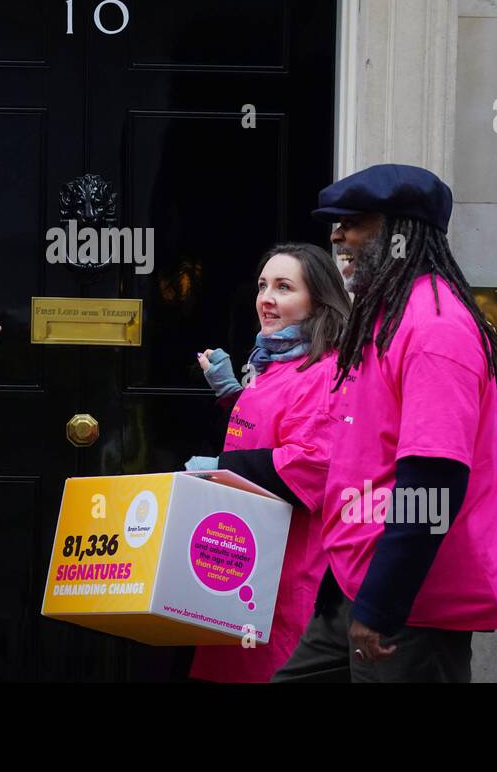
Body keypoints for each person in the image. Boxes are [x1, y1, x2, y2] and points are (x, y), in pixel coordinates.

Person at [276, 164, 497, 683]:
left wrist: (380, 606)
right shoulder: (389, 315)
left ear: (400, 230)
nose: (338, 234)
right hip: (358, 587)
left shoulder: (434, 326)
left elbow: (434, 480)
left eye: (354, 221)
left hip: (409, 606)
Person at [184, 243, 350, 682]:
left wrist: (218, 467)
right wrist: (229, 395)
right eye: (262, 285)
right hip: (243, 569)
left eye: (283, 287)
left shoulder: (326, 371)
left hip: (288, 574)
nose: (267, 298)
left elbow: (310, 464)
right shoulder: (275, 363)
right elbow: (269, 430)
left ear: (318, 299)